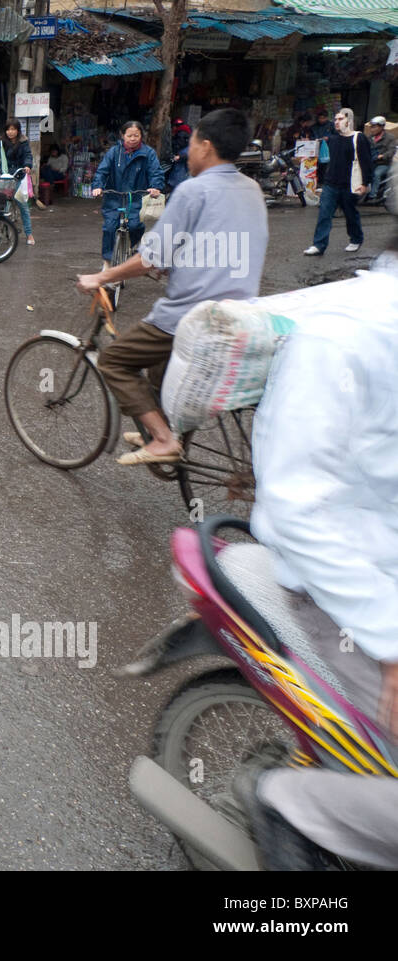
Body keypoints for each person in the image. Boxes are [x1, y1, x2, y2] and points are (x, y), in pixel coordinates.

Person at [234, 251, 398, 870]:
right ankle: (291, 806)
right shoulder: (347, 335)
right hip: (350, 597)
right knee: (123, 358)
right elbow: (300, 503)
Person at [76, 108, 267, 464]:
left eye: (192, 142)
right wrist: (180, 263)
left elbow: (149, 258)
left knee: (115, 360)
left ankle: (163, 438)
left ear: (206, 146)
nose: (188, 151)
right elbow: (225, 246)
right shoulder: (252, 189)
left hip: (192, 315)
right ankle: (164, 423)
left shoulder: (193, 190)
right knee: (159, 367)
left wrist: (101, 276)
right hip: (242, 313)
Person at [91, 120, 166, 263]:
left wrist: (156, 187)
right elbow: (102, 171)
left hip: (137, 198)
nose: (132, 139)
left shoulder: (148, 153)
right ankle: (107, 261)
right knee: (109, 227)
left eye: (136, 135)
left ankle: (132, 244)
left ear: (141, 136)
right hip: (114, 197)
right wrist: (97, 186)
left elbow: (156, 172)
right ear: (122, 136)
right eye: (129, 135)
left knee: (135, 225)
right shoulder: (114, 152)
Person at [303, 107, 371, 257]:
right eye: (336, 119)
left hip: (349, 185)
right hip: (331, 184)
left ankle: (356, 239)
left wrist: (365, 183)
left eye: (341, 119)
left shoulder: (358, 138)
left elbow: (366, 162)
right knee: (324, 214)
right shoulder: (332, 139)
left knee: (350, 213)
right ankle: (318, 245)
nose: (337, 122)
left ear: (349, 121)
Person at [0, 119, 37, 242]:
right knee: (0, 204)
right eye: (8, 129)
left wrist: (28, 165)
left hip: (18, 176)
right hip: (4, 175)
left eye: (13, 129)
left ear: (18, 130)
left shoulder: (23, 142)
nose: (10, 132)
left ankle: (29, 234)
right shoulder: (1, 142)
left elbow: (28, 156)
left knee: (22, 205)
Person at [364, 116, 393, 204]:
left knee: (376, 174)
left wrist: (382, 156)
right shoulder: (369, 138)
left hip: (383, 164)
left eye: (374, 127)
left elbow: (392, 151)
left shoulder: (389, 138)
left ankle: (373, 196)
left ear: (381, 127)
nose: (372, 129)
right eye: (371, 127)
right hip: (371, 162)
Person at [166, 117, 191, 192]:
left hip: (181, 160)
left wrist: (178, 156)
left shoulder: (181, 134)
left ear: (175, 126)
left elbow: (179, 145)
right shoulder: (188, 131)